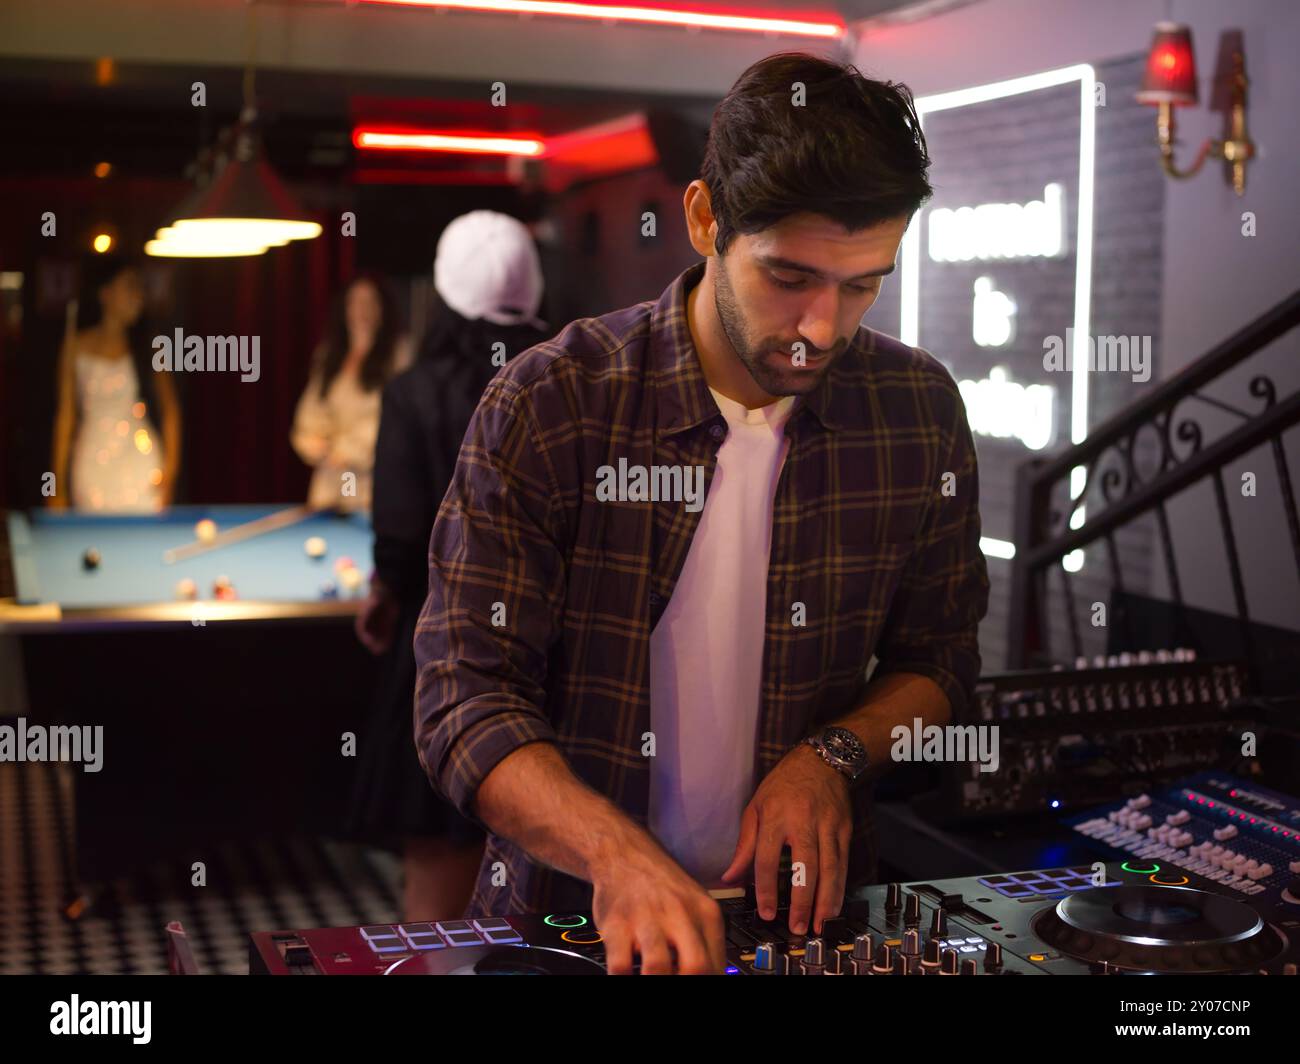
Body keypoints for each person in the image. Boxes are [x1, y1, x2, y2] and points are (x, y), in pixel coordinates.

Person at [415, 53, 990, 974]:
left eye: (862, 285)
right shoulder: (554, 402)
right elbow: (463, 698)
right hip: (562, 926)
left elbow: (943, 661)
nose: (821, 330)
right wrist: (616, 854)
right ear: (702, 219)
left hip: (808, 925)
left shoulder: (915, 409)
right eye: (788, 277)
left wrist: (832, 756)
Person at [351, 212, 550, 922]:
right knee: (553, 887)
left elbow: (401, 540)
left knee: (436, 889)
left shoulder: (416, 390)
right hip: (557, 661)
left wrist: (381, 600)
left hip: (444, 655)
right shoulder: (570, 378)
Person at [50, 254, 181, 512]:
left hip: (141, 462)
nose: (138, 296)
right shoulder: (75, 345)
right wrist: (57, 485)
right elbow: (65, 416)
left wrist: (171, 472)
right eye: (130, 286)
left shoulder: (150, 347)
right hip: (91, 463)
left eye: (140, 288)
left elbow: (171, 411)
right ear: (105, 293)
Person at [291, 274, 412, 512]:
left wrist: (347, 450)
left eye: (370, 302)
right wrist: (313, 443)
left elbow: (397, 422)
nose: (362, 310)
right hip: (328, 488)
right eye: (355, 302)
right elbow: (308, 418)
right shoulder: (328, 356)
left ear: (382, 309)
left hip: (372, 490)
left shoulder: (400, 356)